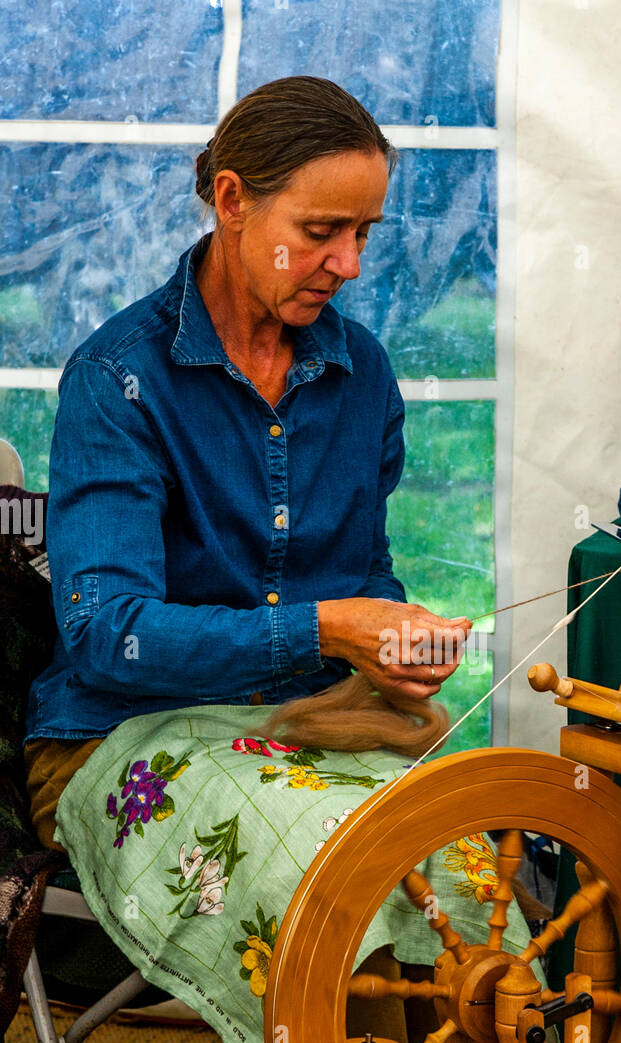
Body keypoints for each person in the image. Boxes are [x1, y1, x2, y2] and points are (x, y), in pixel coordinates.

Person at [24, 75, 471, 851]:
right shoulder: (119, 380)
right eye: (322, 230)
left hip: (304, 721)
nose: (351, 263)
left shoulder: (361, 372)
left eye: (364, 232)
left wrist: (395, 637)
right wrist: (323, 631)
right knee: (318, 857)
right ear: (232, 201)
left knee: (459, 845)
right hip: (116, 736)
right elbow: (107, 633)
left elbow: (364, 571)